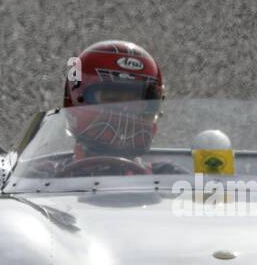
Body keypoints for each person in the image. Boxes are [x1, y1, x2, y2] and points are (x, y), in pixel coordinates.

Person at [57, 41, 181, 174]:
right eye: (111, 99)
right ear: (77, 102)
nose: (126, 113)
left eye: (138, 104)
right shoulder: (45, 178)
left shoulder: (168, 177)